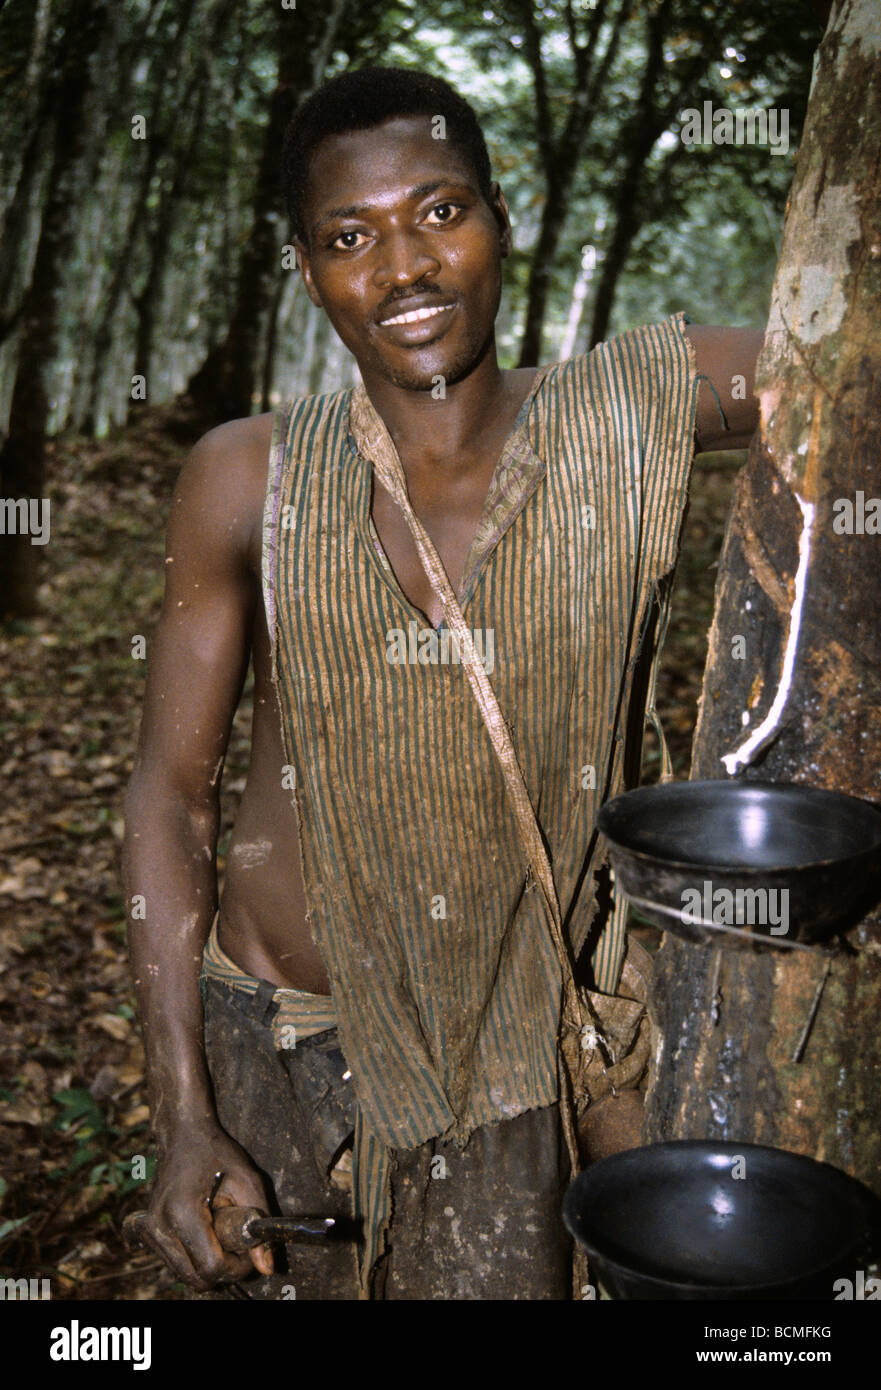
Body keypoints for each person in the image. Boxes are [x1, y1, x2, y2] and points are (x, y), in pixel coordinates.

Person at [123, 65, 762, 1301]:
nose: (404, 267)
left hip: (513, 1051)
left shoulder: (624, 409)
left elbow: (840, 369)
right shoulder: (246, 475)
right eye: (350, 237)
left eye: (439, 211)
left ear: (500, 220)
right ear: (306, 270)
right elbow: (169, 793)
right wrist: (184, 1108)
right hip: (280, 1054)